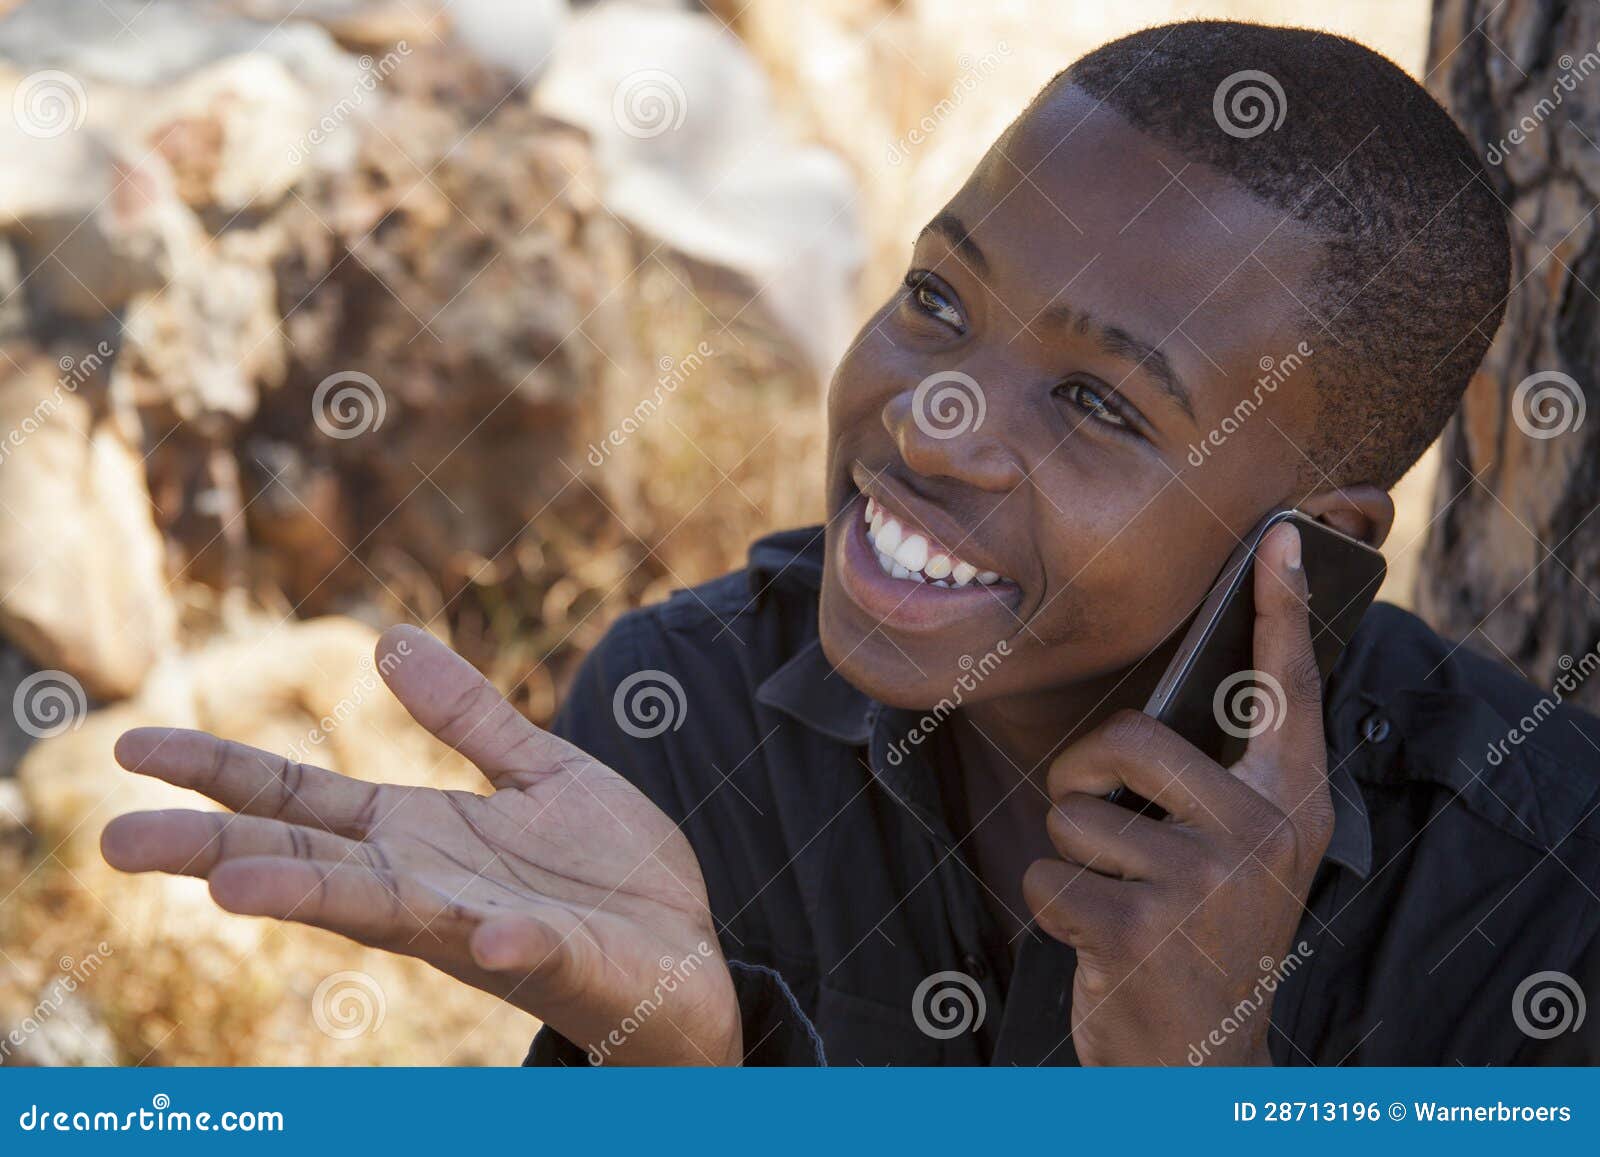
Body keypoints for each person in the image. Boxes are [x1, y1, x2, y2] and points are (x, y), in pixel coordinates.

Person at [101, 21, 1599, 1065]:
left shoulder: (1533, 889)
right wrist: (681, 1066)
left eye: (1095, 400)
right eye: (939, 298)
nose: (935, 419)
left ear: (1313, 547)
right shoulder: (691, 713)